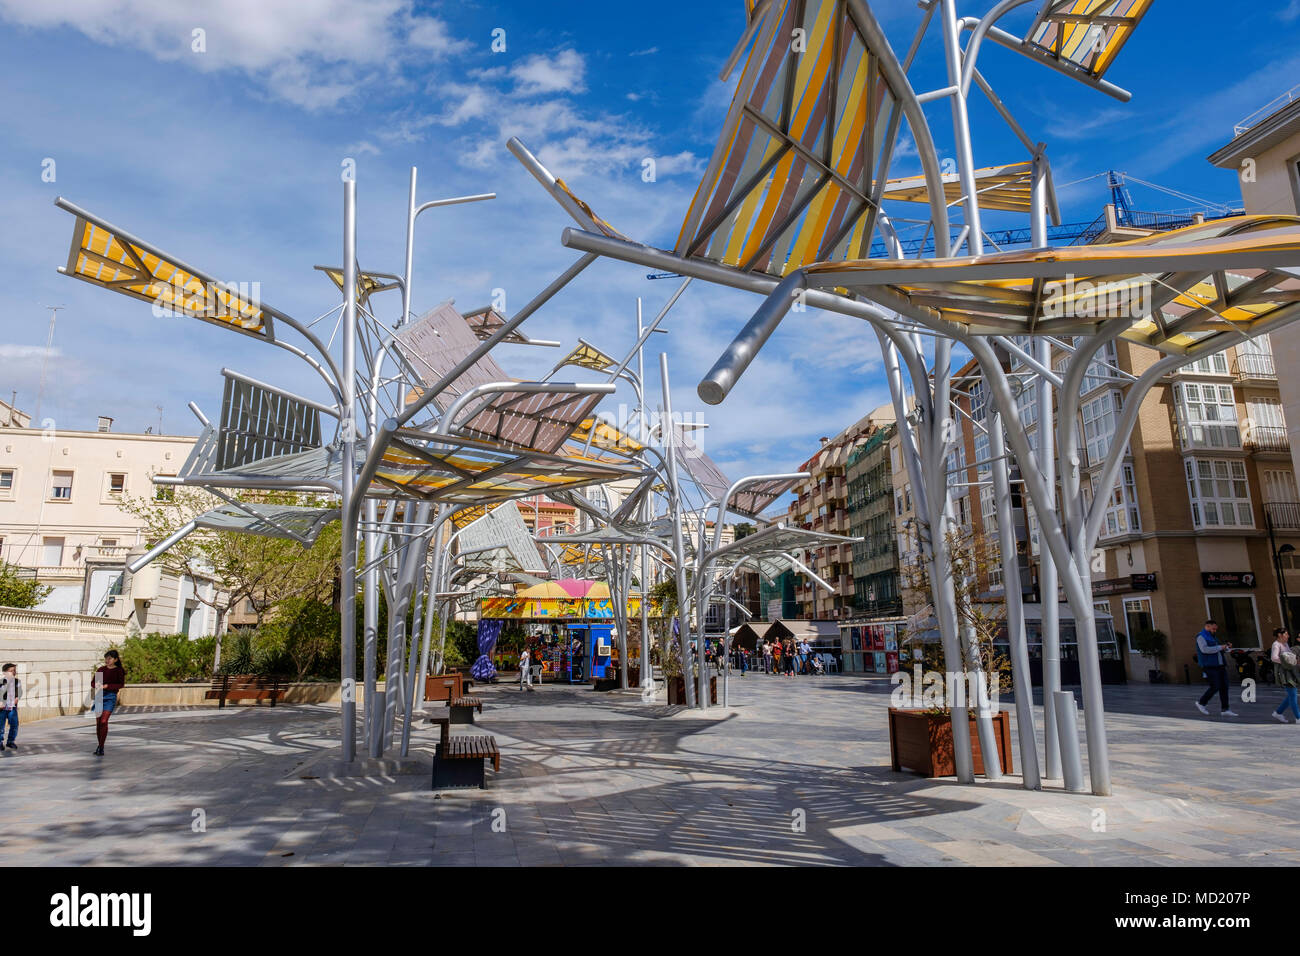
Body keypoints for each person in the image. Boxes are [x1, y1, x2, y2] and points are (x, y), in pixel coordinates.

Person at [1194, 619, 1237, 717]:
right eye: (1213, 629)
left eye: (1216, 629)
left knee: (1224, 687)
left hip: (1220, 665)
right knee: (1215, 686)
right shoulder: (1201, 636)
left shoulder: (1213, 637)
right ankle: (1201, 703)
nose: (1215, 631)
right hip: (1210, 666)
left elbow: (1218, 650)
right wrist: (1220, 647)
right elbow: (1204, 650)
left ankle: (1225, 709)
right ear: (1207, 626)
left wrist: (1226, 647)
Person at [94, 650, 126, 756]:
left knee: (104, 721)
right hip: (99, 696)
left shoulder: (119, 671)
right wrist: (97, 685)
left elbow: (121, 684)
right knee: (98, 723)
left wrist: (108, 686)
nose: (107, 660)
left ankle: (101, 746)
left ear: (115, 659)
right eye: (106, 658)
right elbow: (93, 683)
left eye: (110, 658)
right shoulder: (101, 669)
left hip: (110, 697)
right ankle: (100, 746)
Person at [1270, 627, 1299, 723]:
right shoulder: (1276, 645)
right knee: (1293, 694)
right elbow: (1274, 658)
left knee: (1291, 695)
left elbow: (1290, 656)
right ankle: (1298, 718)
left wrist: (1295, 660)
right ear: (1280, 635)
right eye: (1286, 634)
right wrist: (1286, 662)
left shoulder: (1285, 644)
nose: (1288, 636)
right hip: (1283, 673)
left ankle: (1278, 713)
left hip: (1289, 672)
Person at [0, 662, 20, 750]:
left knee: (14, 724)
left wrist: (17, 698)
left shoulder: (17, 682)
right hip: (2, 707)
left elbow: (19, 692)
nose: (14, 672)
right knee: (1, 725)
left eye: (14, 670)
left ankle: (10, 741)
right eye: (11, 671)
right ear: (5, 673)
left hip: (12, 707)